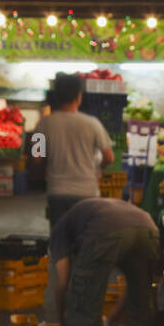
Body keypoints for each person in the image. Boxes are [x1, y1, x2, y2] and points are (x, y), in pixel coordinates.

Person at [49, 197, 160, 326]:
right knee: (141, 294)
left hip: (107, 230)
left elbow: (63, 283)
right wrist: (111, 318)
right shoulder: (87, 213)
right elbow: (131, 290)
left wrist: (63, 322)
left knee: (80, 298)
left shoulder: (58, 233)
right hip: (148, 227)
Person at [33, 72, 115, 230]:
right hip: (87, 192)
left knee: (60, 242)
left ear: (56, 96)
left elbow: (36, 159)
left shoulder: (43, 124)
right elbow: (109, 157)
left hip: (57, 192)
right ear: (79, 97)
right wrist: (98, 170)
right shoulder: (92, 123)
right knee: (84, 241)